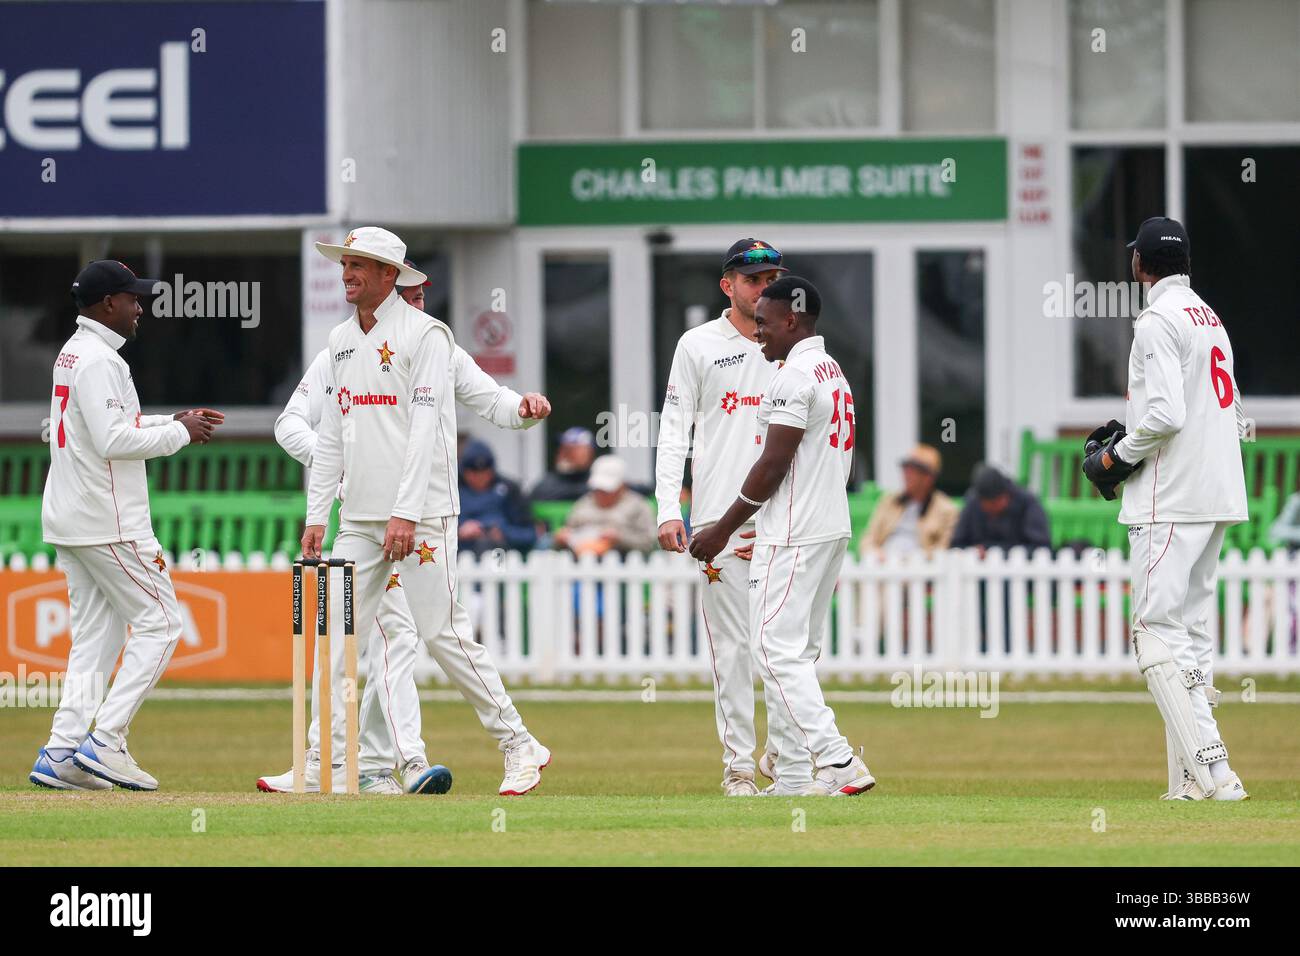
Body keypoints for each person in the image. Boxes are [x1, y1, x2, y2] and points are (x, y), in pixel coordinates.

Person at [299, 228, 552, 796]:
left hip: (420, 517)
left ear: (391, 274)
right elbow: (334, 434)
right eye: (345, 263)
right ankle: (329, 764)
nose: (347, 273)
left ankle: (519, 745)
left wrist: (406, 513)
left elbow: (428, 428)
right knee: (336, 638)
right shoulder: (340, 339)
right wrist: (319, 515)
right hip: (359, 519)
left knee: (442, 634)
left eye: (360, 264)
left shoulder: (427, 336)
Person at [29, 260, 223, 792]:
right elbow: (115, 441)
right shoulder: (98, 361)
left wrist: (173, 421)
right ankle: (107, 742)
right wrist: (179, 435)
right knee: (162, 623)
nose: (140, 308)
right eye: (132, 299)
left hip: (74, 516)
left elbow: (112, 427)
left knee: (98, 635)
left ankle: (63, 751)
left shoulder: (78, 352)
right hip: (108, 521)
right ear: (106, 304)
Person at [1082, 216, 1249, 801]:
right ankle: (1187, 782)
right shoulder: (1209, 317)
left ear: (1139, 264)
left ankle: (1215, 771)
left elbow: (1168, 415)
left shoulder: (1156, 319)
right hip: (1216, 492)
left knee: (1154, 634)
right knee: (1191, 635)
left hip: (1170, 497)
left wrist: (1116, 457)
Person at [690, 276, 875, 798]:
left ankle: (838, 760)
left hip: (793, 532)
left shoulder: (792, 377)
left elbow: (773, 464)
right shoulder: (832, 370)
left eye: (765, 323)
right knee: (797, 652)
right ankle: (793, 775)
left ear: (791, 320)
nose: (758, 334)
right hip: (829, 526)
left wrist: (721, 530)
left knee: (773, 651)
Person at [655, 237, 786, 796]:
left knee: (785, 644)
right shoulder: (698, 345)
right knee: (731, 648)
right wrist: (667, 506)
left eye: (773, 278)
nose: (764, 289)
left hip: (784, 516)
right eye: (753, 279)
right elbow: (672, 428)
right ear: (727, 285)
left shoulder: (793, 339)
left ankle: (784, 755)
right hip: (716, 519)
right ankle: (738, 766)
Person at [860, 443, 960, 558]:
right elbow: (868, 539)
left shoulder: (947, 510)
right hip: (882, 568)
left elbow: (943, 549)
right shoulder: (889, 501)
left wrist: (913, 559)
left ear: (929, 477)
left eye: (914, 470)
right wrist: (875, 554)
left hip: (921, 572)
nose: (906, 474)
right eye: (906, 468)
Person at [555, 455, 657, 557]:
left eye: (607, 490)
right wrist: (562, 539)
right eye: (598, 489)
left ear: (622, 486)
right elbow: (567, 533)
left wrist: (620, 538)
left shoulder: (639, 506)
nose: (601, 494)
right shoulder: (583, 504)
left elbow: (650, 543)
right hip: (581, 561)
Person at [458, 439, 537, 556]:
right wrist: (458, 533)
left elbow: (530, 534)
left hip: (501, 556)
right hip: (460, 558)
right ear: (463, 471)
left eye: (485, 472)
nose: (480, 477)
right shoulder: (452, 490)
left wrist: (504, 532)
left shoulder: (509, 489)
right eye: (474, 473)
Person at [950, 465, 1051, 555]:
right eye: (986, 504)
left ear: (1006, 494)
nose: (991, 508)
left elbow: (1041, 547)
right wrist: (972, 551)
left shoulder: (1028, 503)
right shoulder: (972, 503)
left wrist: (996, 552)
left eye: (994, 503)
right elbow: (957, 544)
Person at [529, 427, 597, 501]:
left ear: (589, 453)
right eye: (563, 448)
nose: (564, 454)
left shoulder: (600, 480)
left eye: (572, 450)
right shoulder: (548, 483)